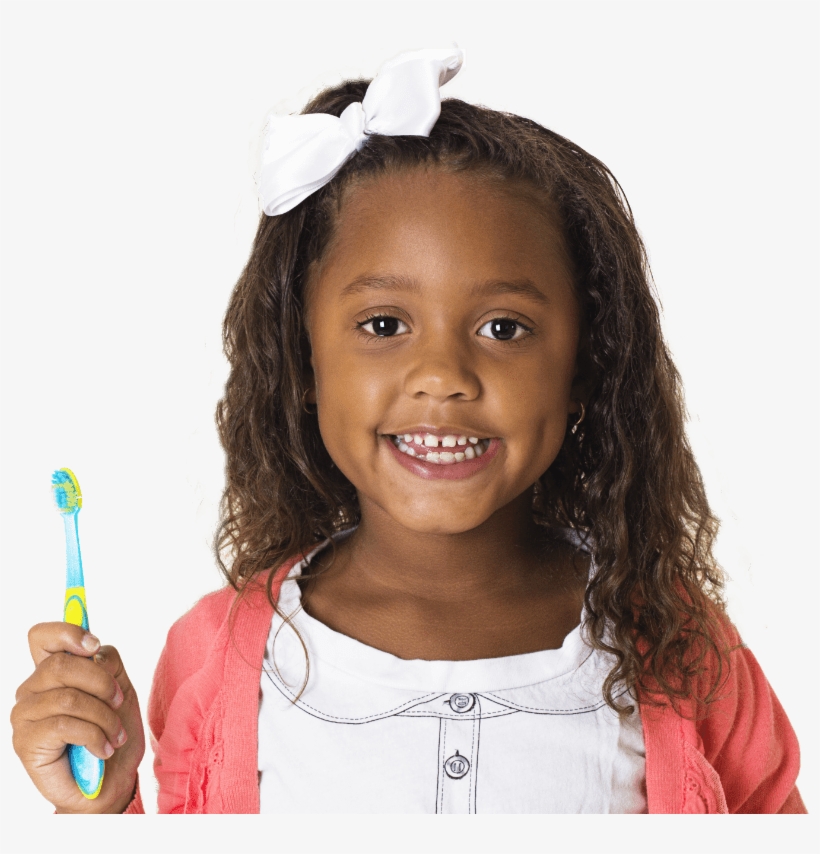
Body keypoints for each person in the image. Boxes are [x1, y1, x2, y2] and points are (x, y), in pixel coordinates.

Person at [10, 48, 805, 814]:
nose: (443, 375)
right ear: (304, 359)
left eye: (503, 327)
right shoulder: (213, 660)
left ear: (587, 365)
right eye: (385, 322)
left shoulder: (683, 650)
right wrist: (101, 815)